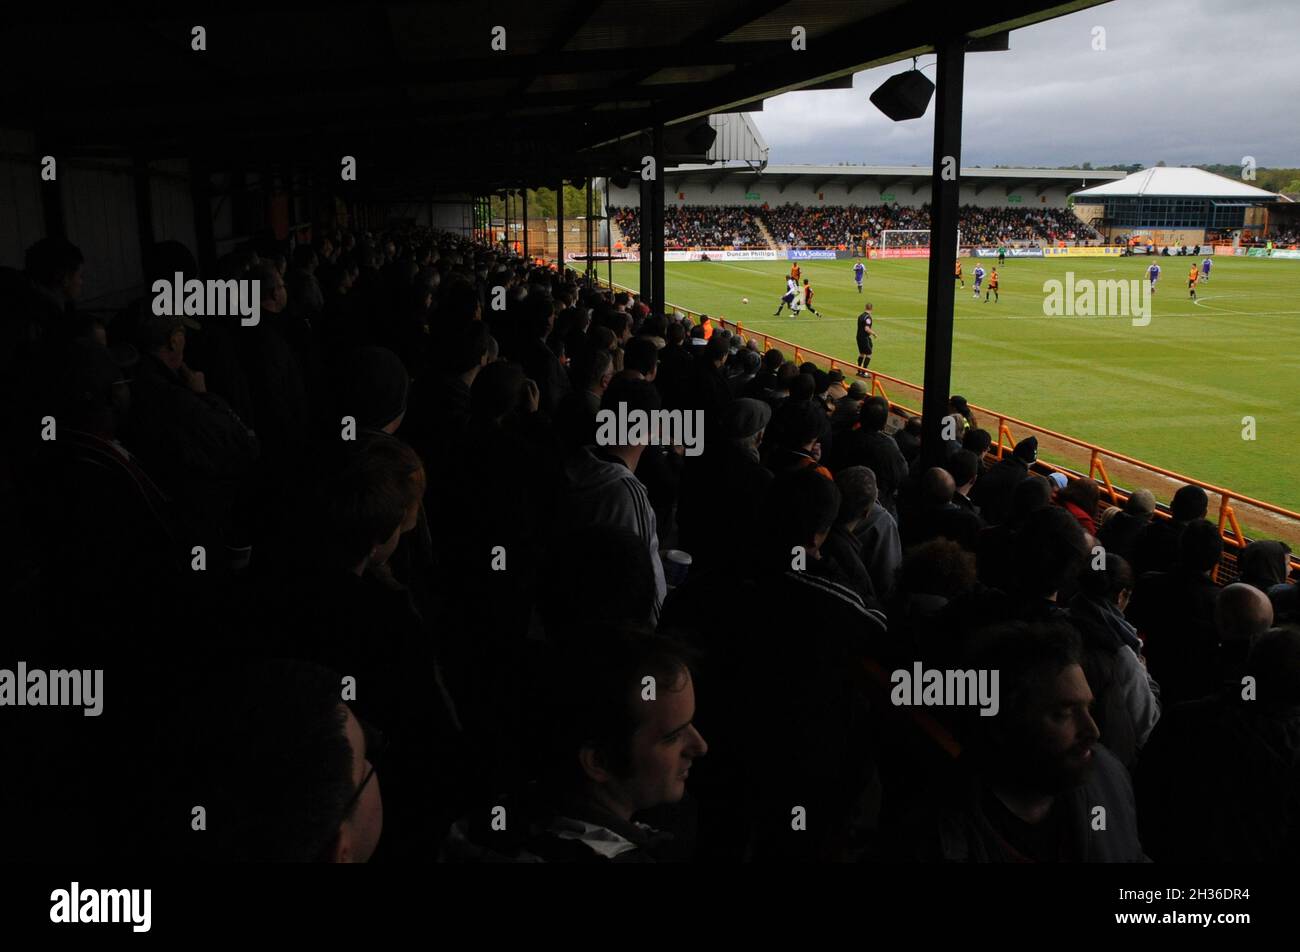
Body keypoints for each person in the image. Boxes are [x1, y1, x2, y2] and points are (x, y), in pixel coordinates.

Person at [894, 621, 1146, 862]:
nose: (1093, 731)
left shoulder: (1107, 775)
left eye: (1088, 707)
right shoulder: (931, 840)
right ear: (1002, 725)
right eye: (1062, 714)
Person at [855, 303, 876, 376]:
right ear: (871, 309)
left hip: (858, 336)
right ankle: (864, 372)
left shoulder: (860, 316)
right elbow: (866, 329)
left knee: (862, 353)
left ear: (865, 307)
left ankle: (859, 370)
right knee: (869, 354)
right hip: (864, 337)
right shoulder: (868, 318)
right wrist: (873, 333)